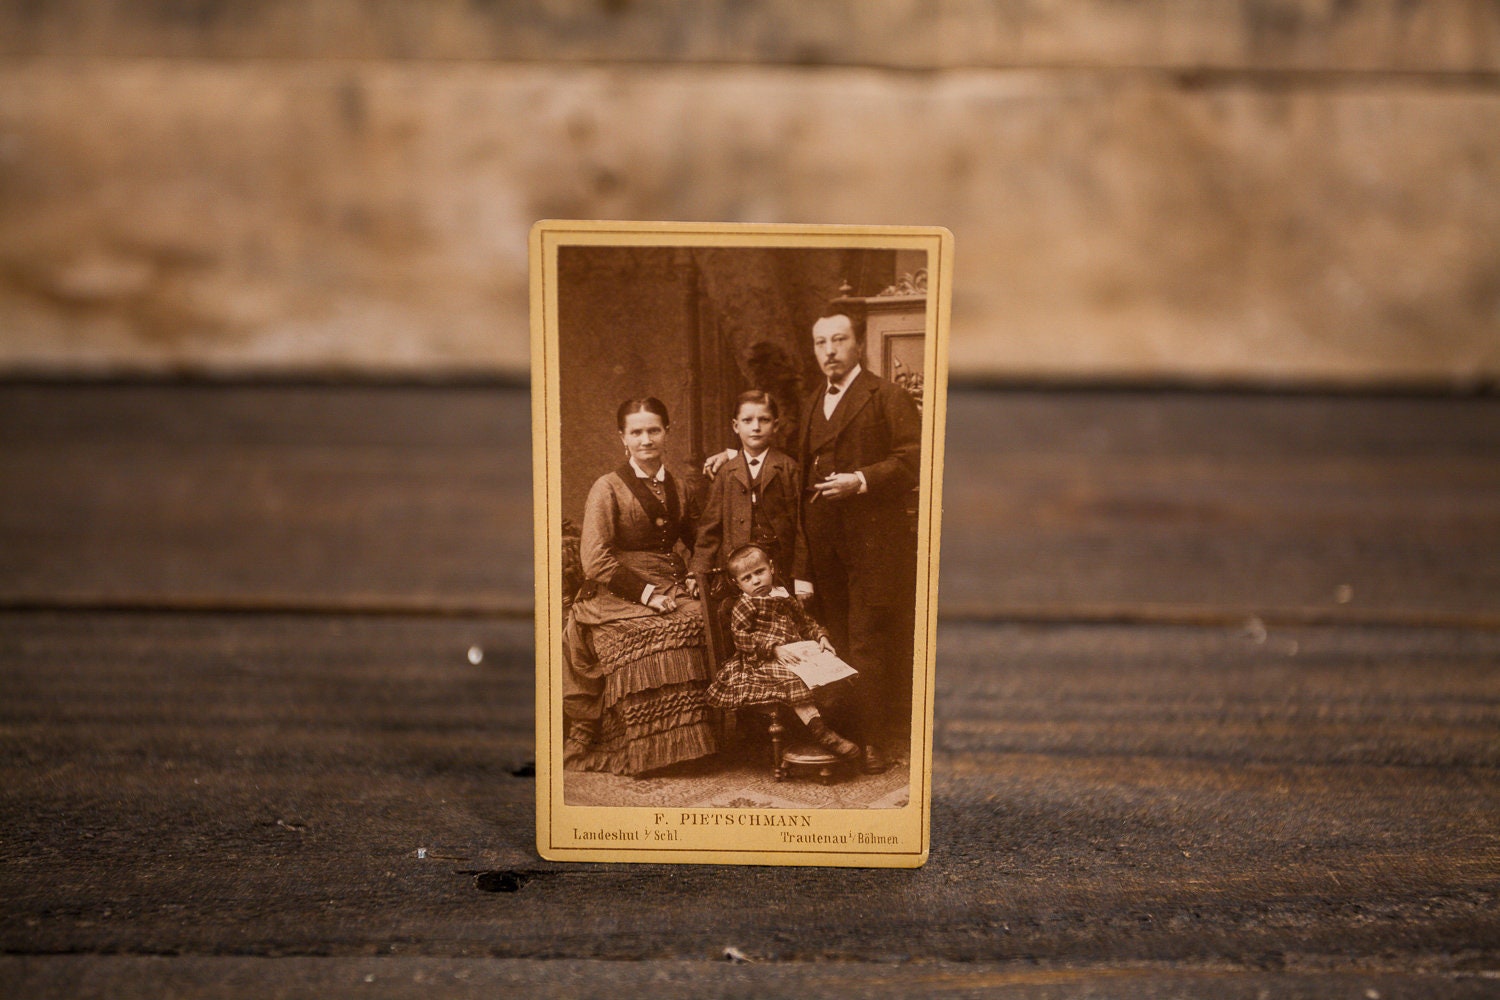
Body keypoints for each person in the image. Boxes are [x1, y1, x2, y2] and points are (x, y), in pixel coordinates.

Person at [562, 397, 718, 776]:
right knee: (648, 632)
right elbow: (595, 558)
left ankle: (693, 746)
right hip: (619, 591)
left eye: (653, 430)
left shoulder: (679, 485)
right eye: (637, 432)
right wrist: (648, 595)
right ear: (623, 438)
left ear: (667, 433)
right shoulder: (608, 487)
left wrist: (698, 577)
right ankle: (640, 748)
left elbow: (700, 539)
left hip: (672, 583)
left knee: (703, 620)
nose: (646, 439)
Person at [798, 306, 922, 774]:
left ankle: (877, 740)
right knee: (839, 642)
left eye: (838, 340)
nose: (829, 351)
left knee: (870, 642)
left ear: (858, 344)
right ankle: (846, 734)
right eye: (820, 342)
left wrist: (862, 479)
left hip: (874, 544)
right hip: (826, 543)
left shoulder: (886, 396)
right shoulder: (812, 402)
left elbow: (913, 459)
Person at [703, 544, 859, 759]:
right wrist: (773, 648)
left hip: (796, 652)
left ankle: (837, 725)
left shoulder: (784, 597)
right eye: (747, 578)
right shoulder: (745, 605)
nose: (756, 581)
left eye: (760, 572)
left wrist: (820, 636)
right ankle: (821, 732)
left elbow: (805, 623)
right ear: (737, 583)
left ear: (771, 568)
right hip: (760, 660)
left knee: (832, 666)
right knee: (793, 679)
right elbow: (741, 637)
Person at [690, 390, 809, 595]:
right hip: (739, 575)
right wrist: (697, 573)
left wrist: (802, 577)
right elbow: (709, 530)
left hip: (782, 571)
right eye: (747, 420)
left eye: (764, 420)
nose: (756, 427)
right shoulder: (726, 473)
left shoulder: (788, 469)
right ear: (736, 426)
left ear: (776, 425)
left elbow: (802, 527)